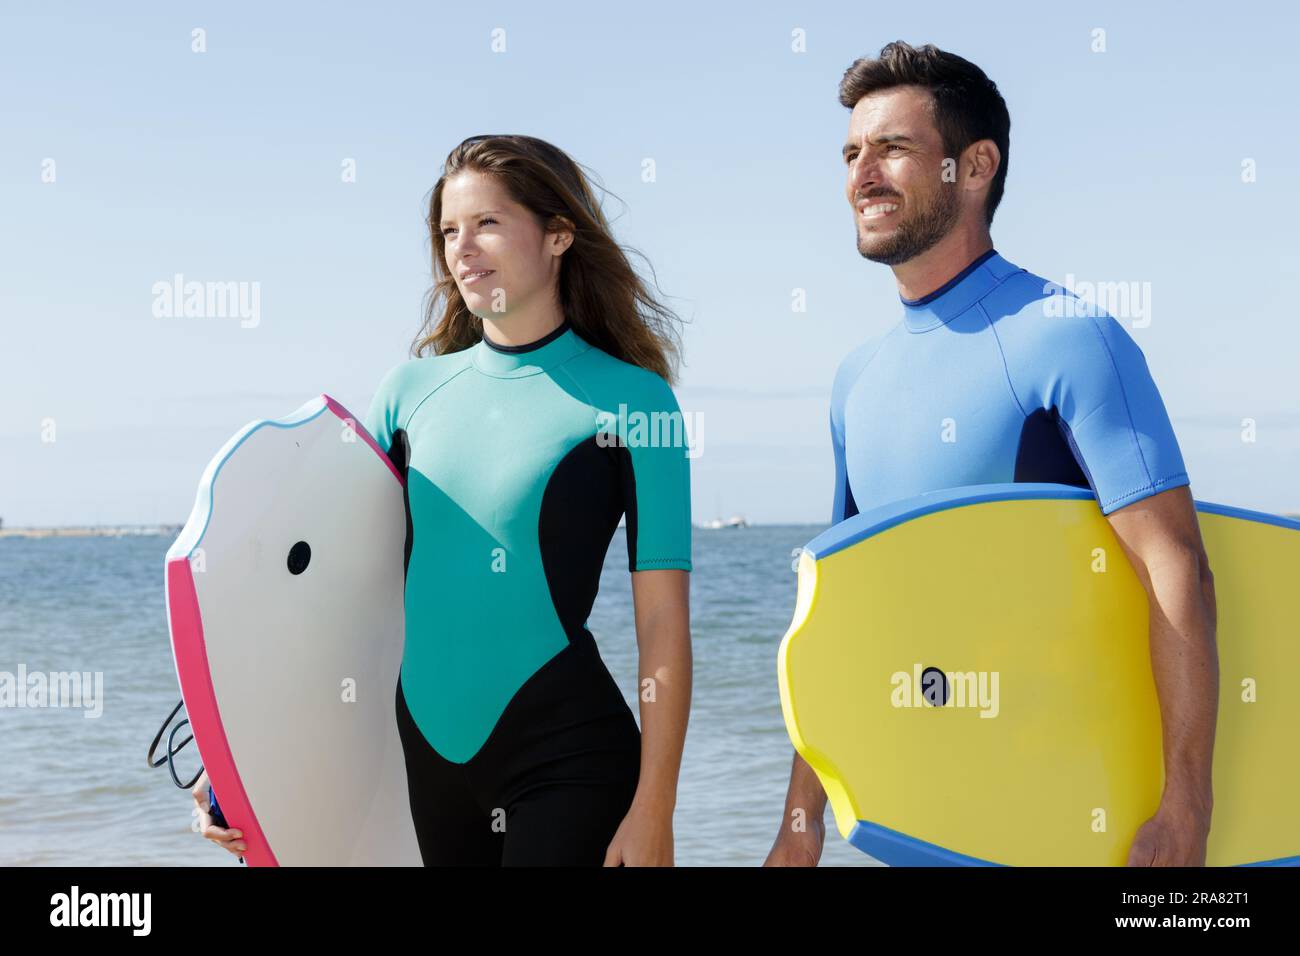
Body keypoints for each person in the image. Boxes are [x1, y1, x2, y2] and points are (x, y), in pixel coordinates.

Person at [764, 41, 1218, 868]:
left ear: (974, 167)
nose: (862, 173)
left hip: (1064, 809)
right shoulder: (855, 380)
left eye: (893, 147)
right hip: (921, 818)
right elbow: (839, 617)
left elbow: (1175, 565)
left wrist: (1186, 805)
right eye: (851, 152)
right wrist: (800, 833)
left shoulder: (1069, 338)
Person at [196, 134, 693, 866]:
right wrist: (238, 761)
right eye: (449, 231)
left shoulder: (634, 405)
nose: (462, 248)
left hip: (569, 760)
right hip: (430, 765)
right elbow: (330, 593)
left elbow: (662, 623)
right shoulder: (407, 395)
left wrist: (655, 808)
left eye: (487, 223)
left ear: (559, 234)